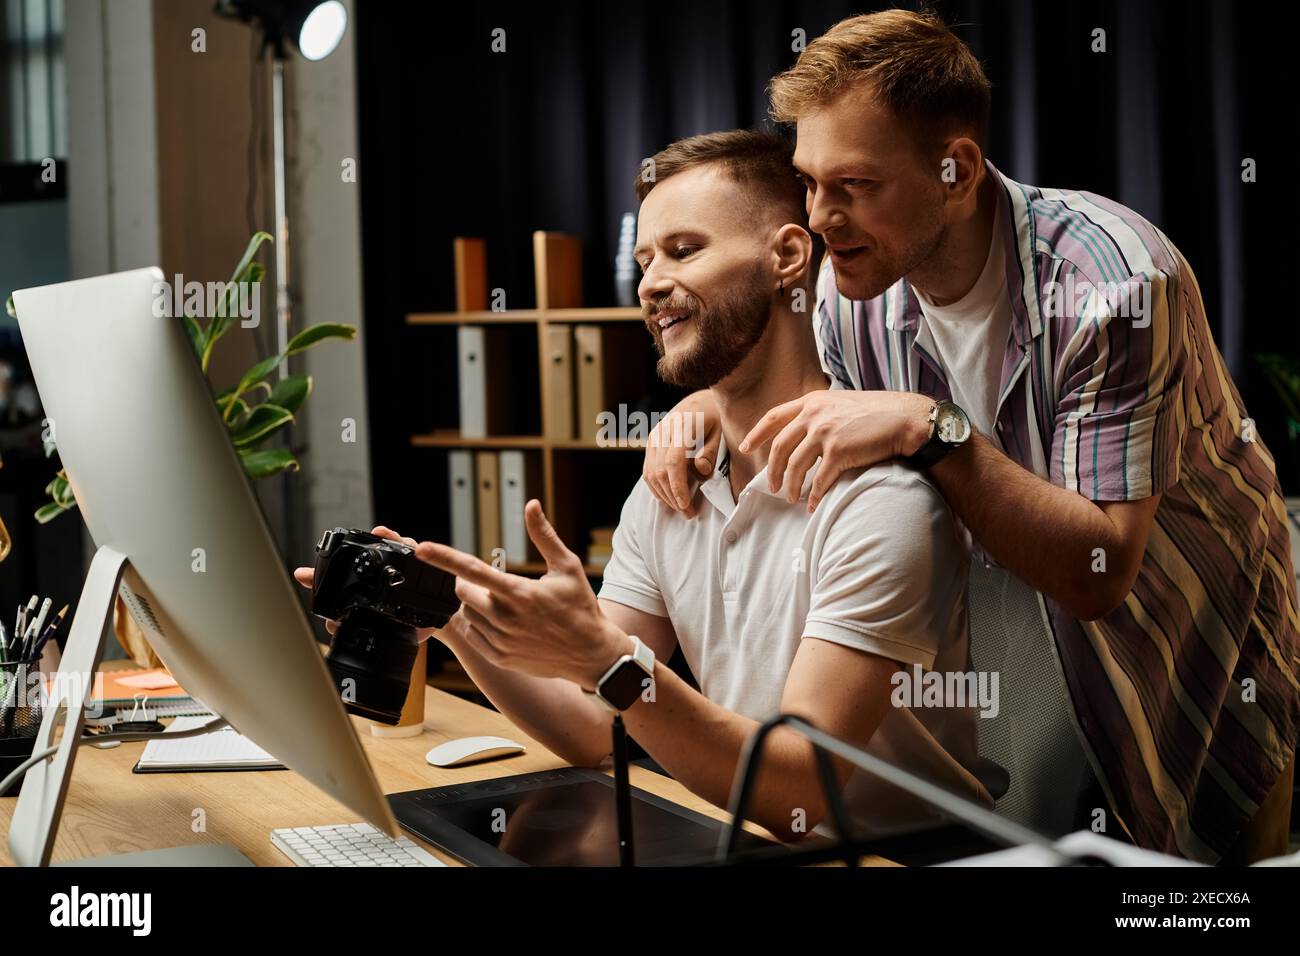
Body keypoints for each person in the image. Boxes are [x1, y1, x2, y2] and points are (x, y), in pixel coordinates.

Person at [641, 10, 1298, 864]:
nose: (822, 217)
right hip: (1024, 658)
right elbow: (814, 407)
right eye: (809, 183)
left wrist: (932, 427)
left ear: (956, 171)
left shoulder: (1117, 284)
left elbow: (1099, 572)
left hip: (1195, 647)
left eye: (857, 185)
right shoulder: (848, 292)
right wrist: (701, 409)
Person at [297, 129, 995, 843]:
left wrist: (606, 660)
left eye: (685, 250)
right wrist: (444, 613)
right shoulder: (671, 485)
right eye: (643, 259)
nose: (650, 283)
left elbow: (797, 791)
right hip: (746, 845)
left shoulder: (881, 502)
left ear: (788, 256)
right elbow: (593, 727)